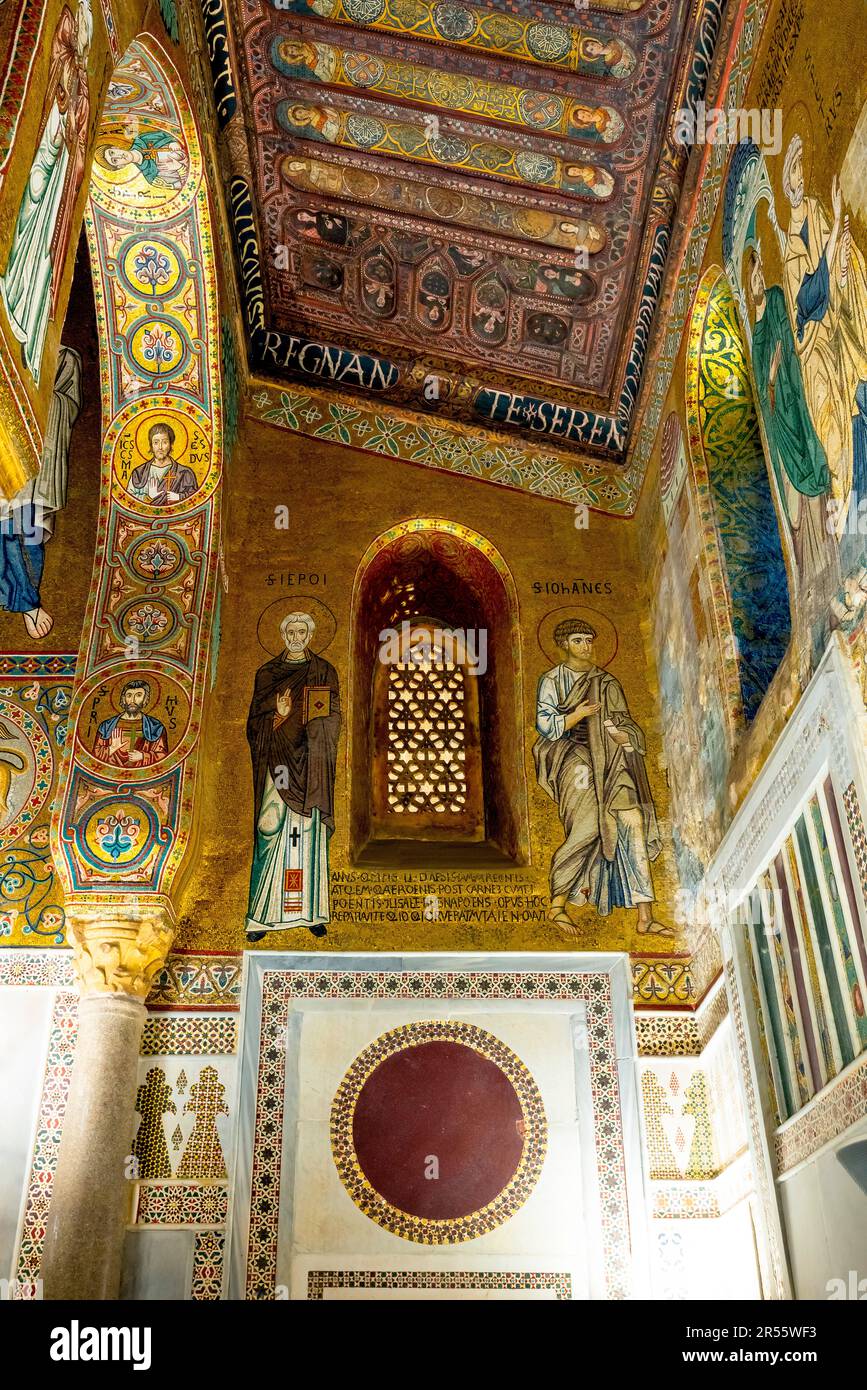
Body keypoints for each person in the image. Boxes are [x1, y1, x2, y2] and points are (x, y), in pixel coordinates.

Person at [534, 618, 669, 935]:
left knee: (633, 820)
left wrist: (626, 736)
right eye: (578, 640)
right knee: (588, 826)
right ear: (565, 644)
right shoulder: (553, 680)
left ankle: (645, 916)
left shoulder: (606, 682)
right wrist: (579, 714)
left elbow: (628, 723)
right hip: (575, 759)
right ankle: (557, 904)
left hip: (610, 761)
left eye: (589, 639)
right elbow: (546, 724)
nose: (586, 646)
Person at [0, 1, 92, 382]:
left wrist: (72, 125)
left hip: (58, 181)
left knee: (45, 250)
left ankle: (28, 320)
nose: (80, 36)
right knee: (28, 202)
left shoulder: (85, 89)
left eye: (84, 32)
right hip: (46, 153)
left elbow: (82, 149)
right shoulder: (65, 57)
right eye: (81, 29)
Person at [245, 612, 340, 939]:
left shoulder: (323, 670)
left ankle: (311, 912)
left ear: (310, 635)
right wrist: (278, 716)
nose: (296, 636)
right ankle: (261, 916)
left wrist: (318, 725)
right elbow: (253, 725)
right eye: (291, 631)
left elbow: (333, 718)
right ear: (283, 634)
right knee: (270, 825)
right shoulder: (267, 674)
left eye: (302, 631)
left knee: (307, 831)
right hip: (279, 766)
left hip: (310, 765)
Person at [0, 345, 81, 638]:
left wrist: (42, 401)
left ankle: (28, 600)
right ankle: (26, 602)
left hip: (35, 474)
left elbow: (68, 402)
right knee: (5, 539)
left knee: (29, 536)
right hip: (5, 468)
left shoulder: (62, 356)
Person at [93, 679, 168, 767]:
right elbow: (94, 756)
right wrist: (111, 748)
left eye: (138, 695)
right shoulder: (106, 726)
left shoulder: (155, 727)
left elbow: (163, 757)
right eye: (129, 695)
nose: (132, 700)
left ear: (145, 700)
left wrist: (143, 756)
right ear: (124, 699)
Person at [128, 422, 197, 506]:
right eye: (156, 442)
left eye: (164, 442)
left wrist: (179, 497)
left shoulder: (184, 472)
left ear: (170, 444)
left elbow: (195, 498)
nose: (160, 447)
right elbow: (129, 499)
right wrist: (149, 497)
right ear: (151, 445)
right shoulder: (139, 473)